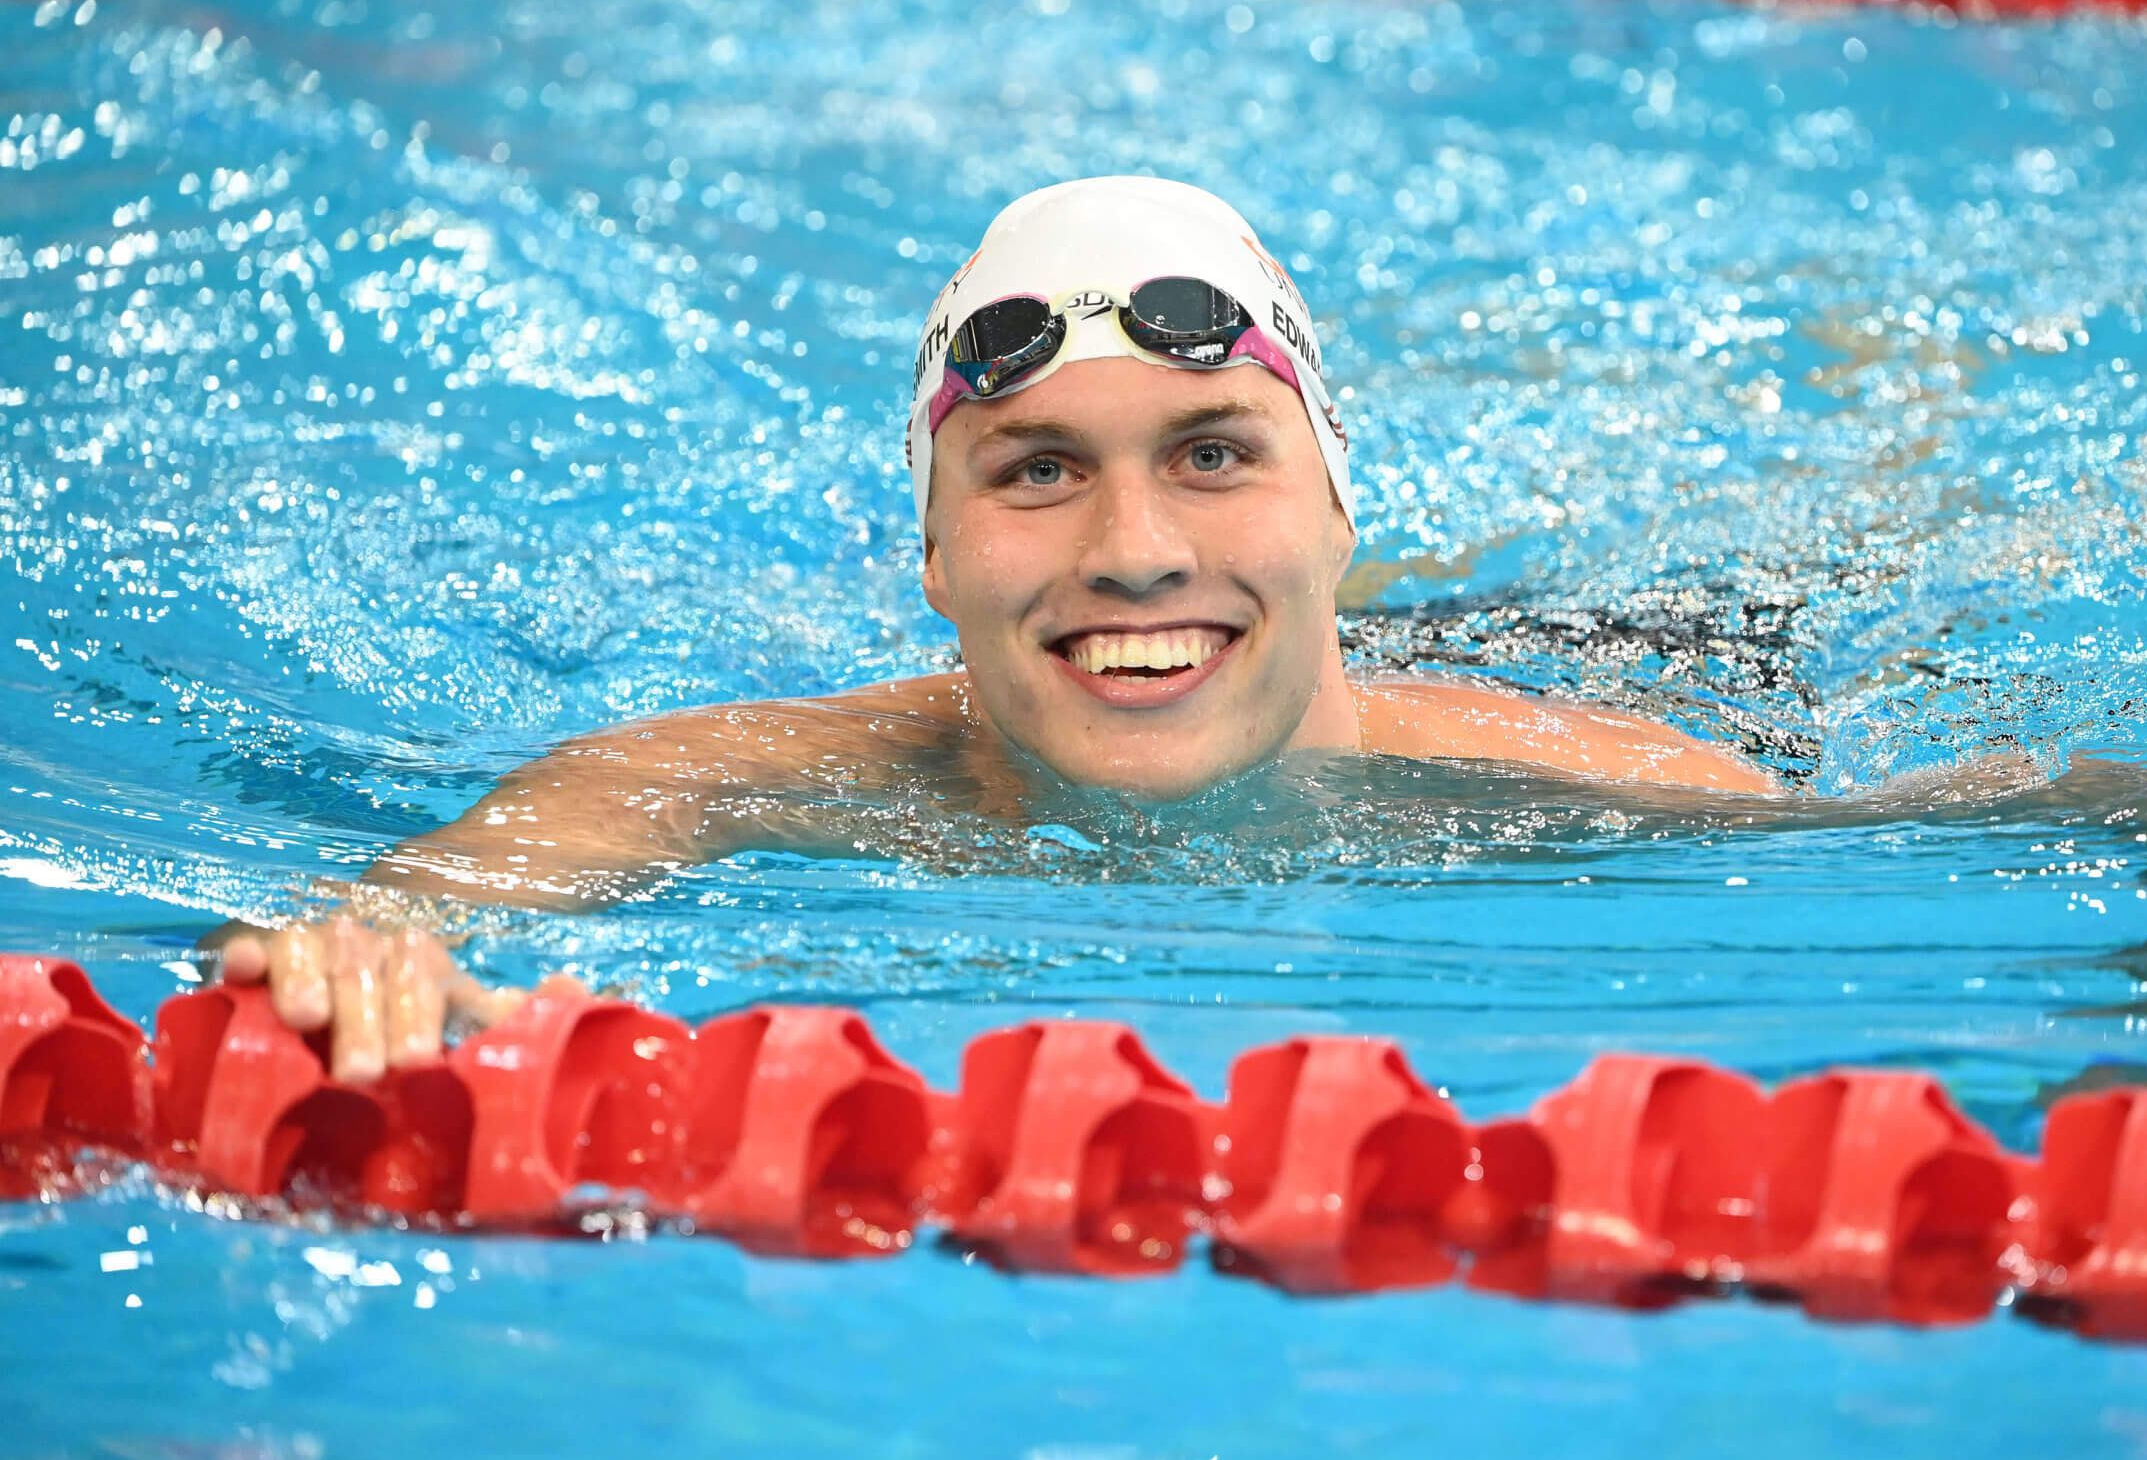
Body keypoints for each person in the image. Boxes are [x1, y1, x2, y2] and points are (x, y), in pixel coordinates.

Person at [210, 177, 1780, 1082]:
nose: (1135, 554)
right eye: (1038, 472)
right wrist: (361, 945)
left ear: (1336, 516)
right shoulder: (762, 776)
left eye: (1213, 454)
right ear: (934, 554)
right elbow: (416, 904)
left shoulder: (1640, 778)